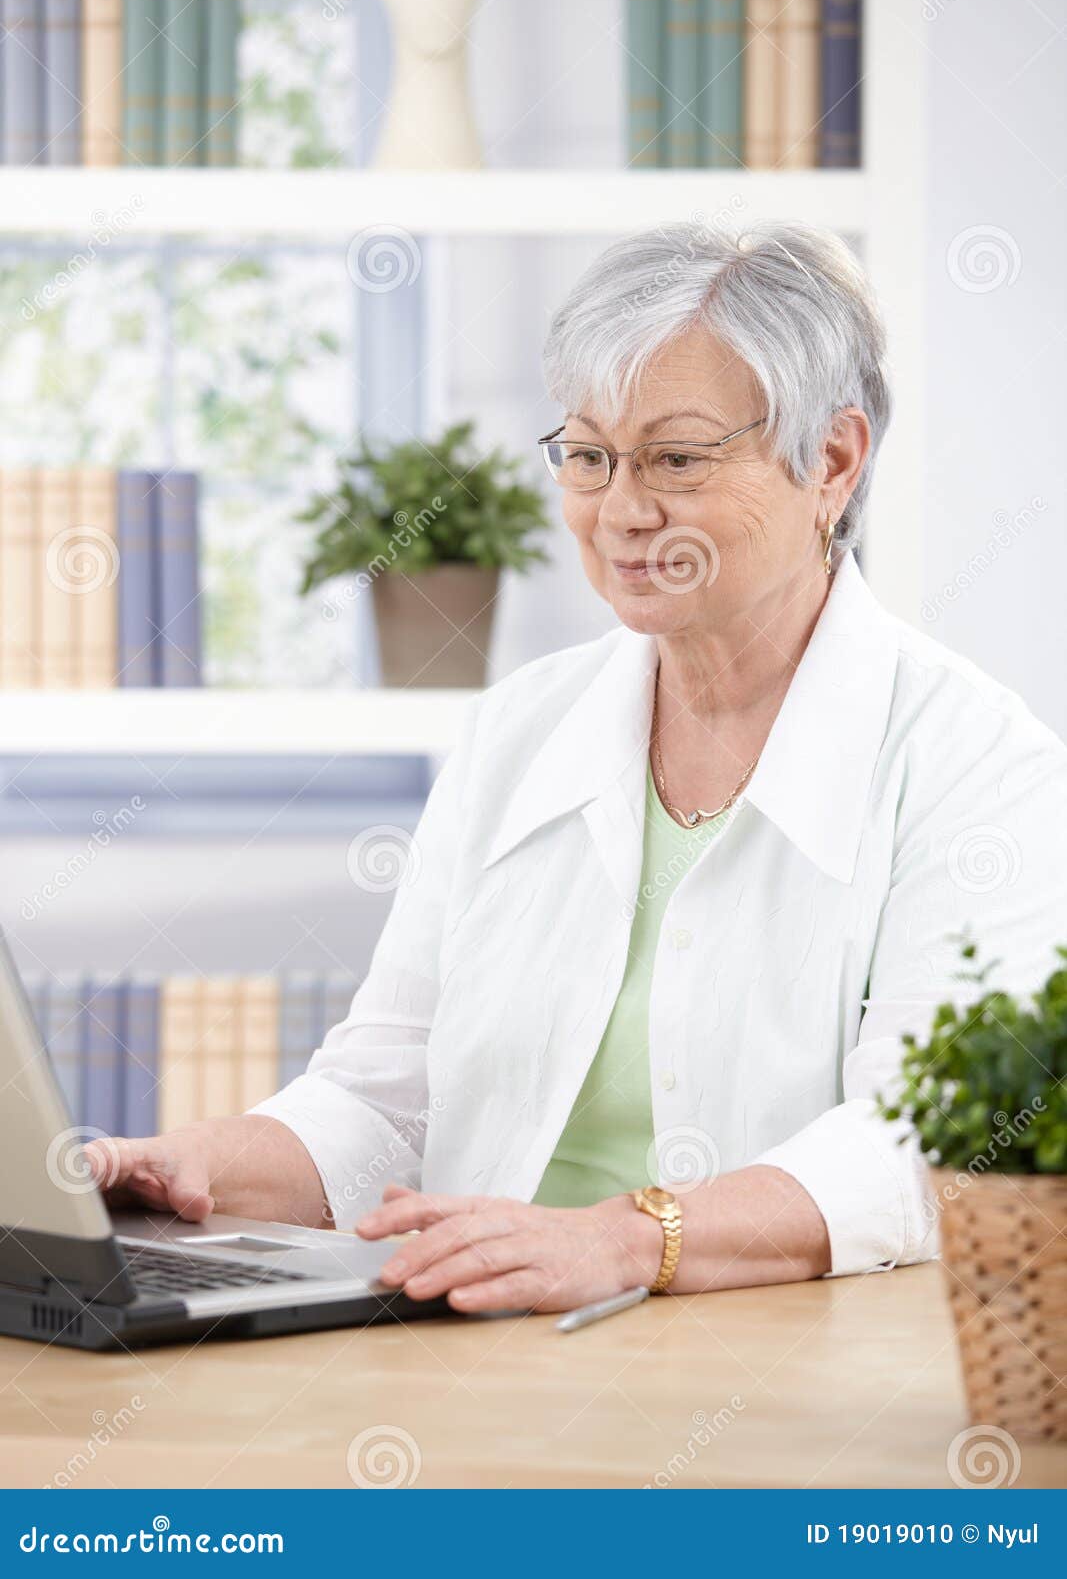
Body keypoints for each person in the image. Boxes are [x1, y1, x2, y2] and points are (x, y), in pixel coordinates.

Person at [86, 221, 1067, 1314]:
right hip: (477, 1339)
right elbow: (384, 1103)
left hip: (787, 1374)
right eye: (591, 456)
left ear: (830, 460)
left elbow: (925, 1148)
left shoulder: (979, 767)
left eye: (677, 458)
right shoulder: (517, 731)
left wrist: (624, 1239)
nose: (620, 511)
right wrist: (203, 1162)